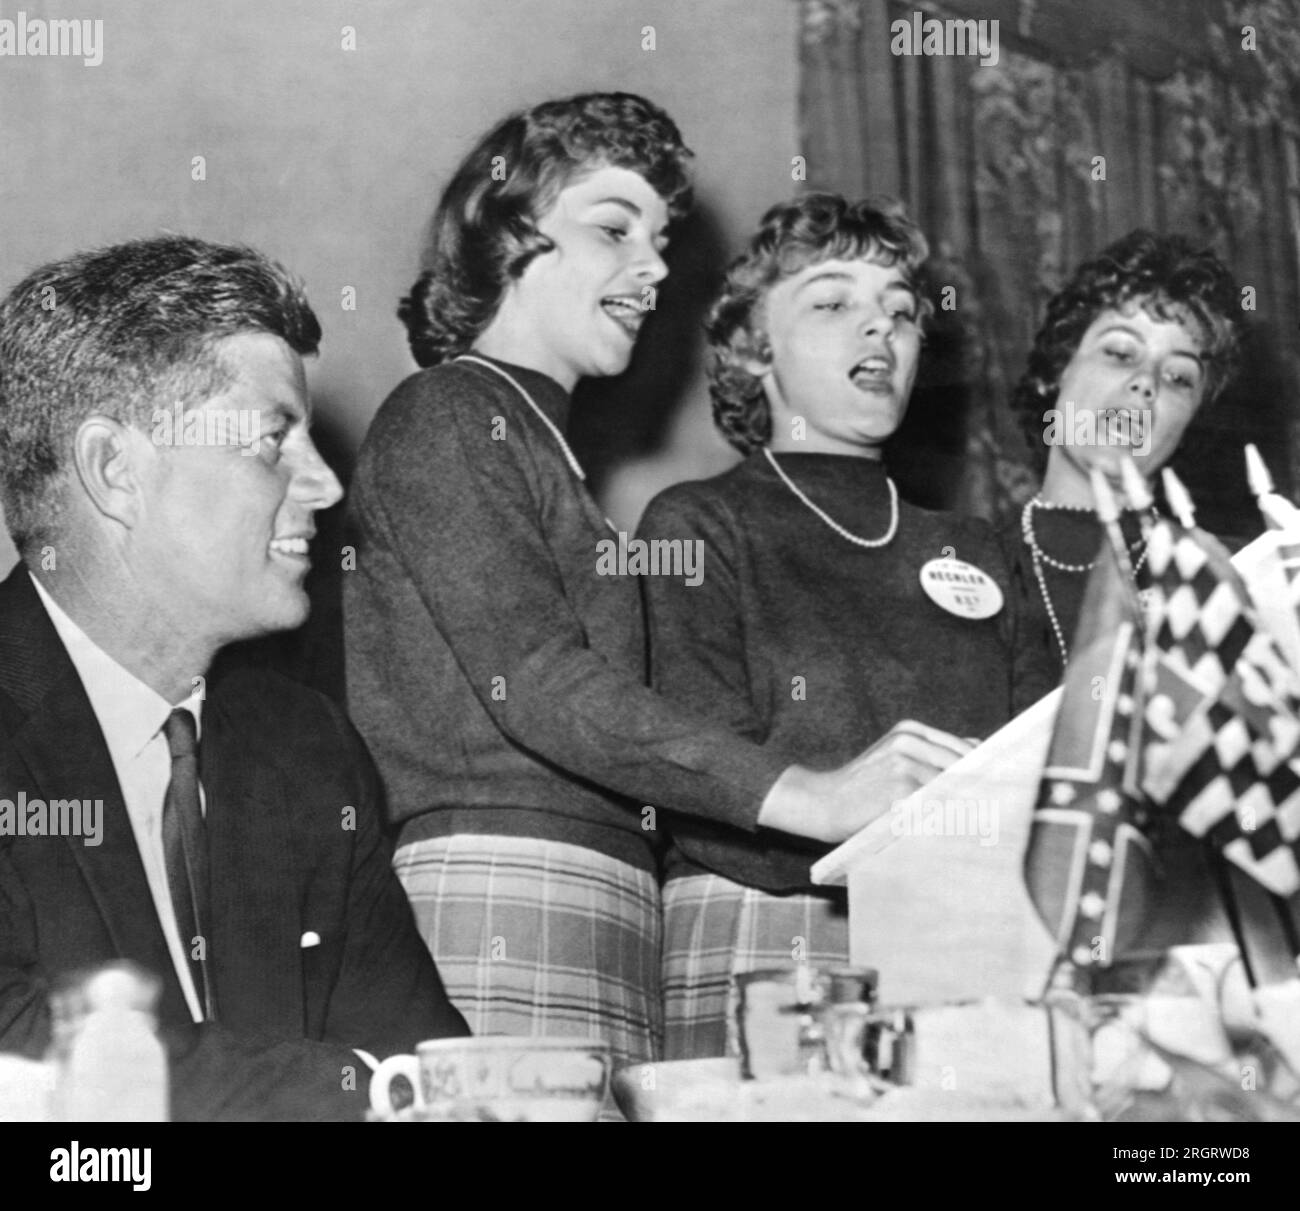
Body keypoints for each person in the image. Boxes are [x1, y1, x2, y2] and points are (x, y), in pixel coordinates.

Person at [344, 97, 953, 1069]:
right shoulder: (449, 412)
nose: (657, 266)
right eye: (613, 228)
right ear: (510, 234)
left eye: (661, 239)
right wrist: (811, 795)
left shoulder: (537, 441)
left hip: (601, 894)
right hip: (506, 880)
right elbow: (535, 679)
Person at [0, 235, 467, 1123]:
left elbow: (415, 1056)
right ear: (115, 470)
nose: (328, 486)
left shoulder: (308, 750)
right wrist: (363, 1088)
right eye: (271, 441)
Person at [636, 194, 1015, 1058]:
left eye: (901, 311)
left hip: (961, 936)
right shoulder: (695, 525)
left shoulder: (981, 549)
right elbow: (690, 781)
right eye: (834, 302)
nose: (879, 330)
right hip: (768, 932)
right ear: (753, 347)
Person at [1005, 230, 1241, 713]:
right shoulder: (966, 561)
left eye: (1178, 377)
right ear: (1057, 370)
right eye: (1120, 353)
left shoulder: (1228, 577)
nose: (1146, 384)